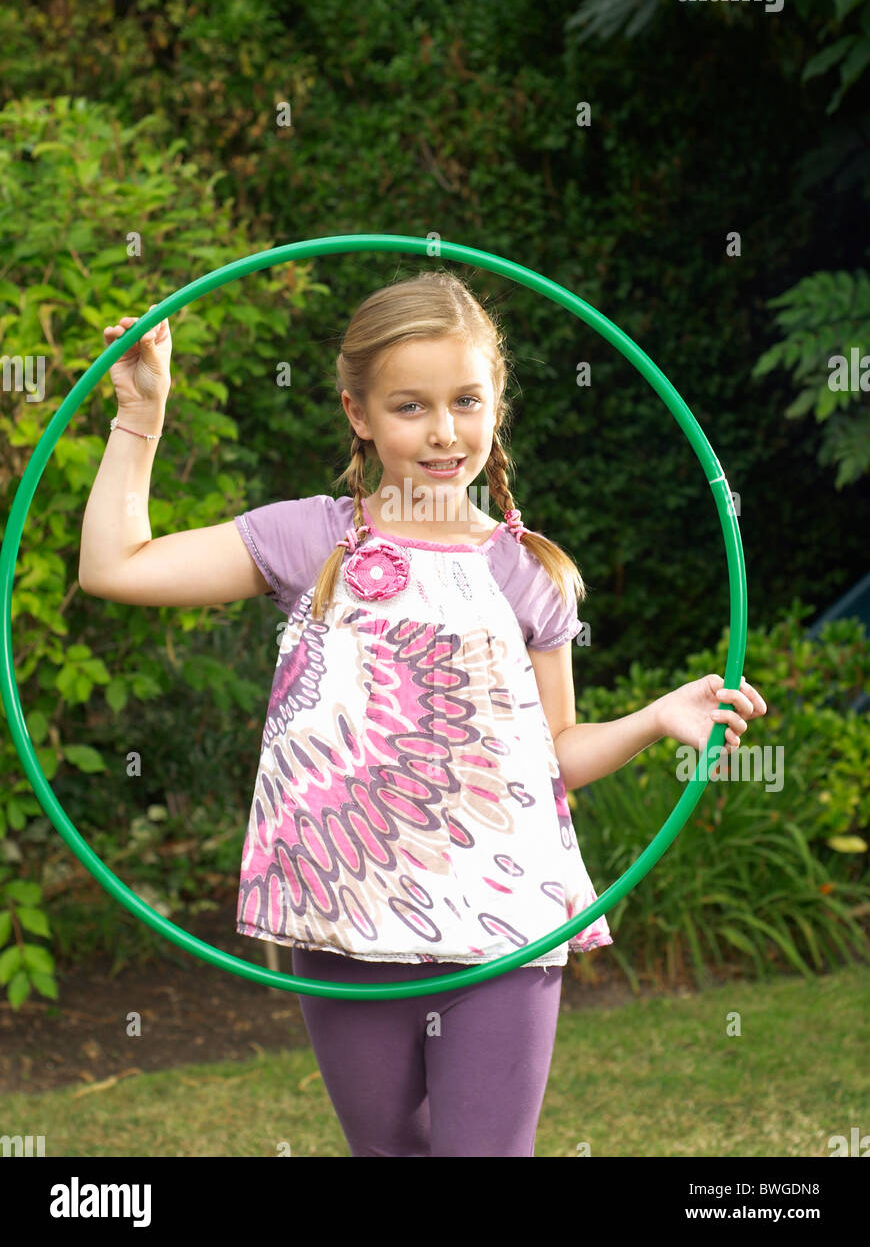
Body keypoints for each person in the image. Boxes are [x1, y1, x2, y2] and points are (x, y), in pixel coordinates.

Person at [79, 268, 767, 1157]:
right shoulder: (311, 538)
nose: (444, 432)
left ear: (497, 405)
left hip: (504, 924)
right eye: (410, 407)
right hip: (346, 914)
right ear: (358, 413)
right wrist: (141, 414)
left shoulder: (530, 572)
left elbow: (554, 752)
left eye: (466, 401)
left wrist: (652, 719)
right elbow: (116, 567)